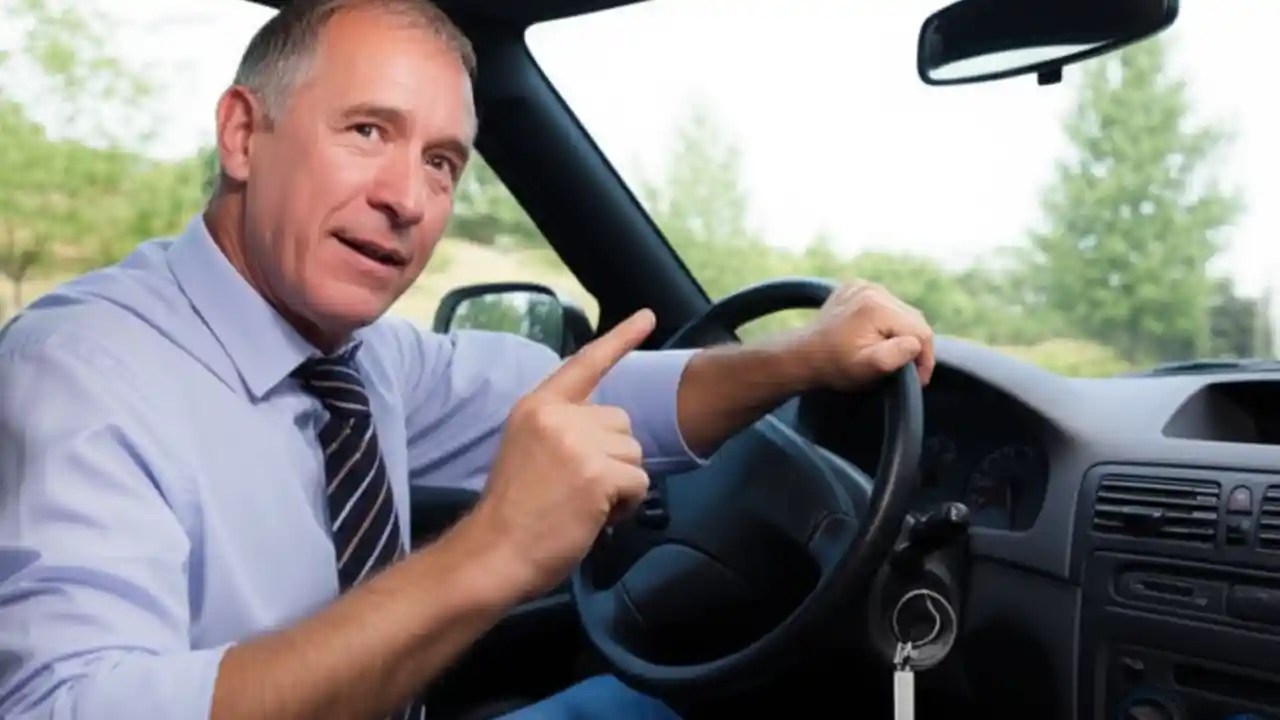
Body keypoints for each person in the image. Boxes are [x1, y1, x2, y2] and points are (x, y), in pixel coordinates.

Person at [0, 0, 935, 718]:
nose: (408, 199)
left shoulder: (363, 359)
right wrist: (495, 552)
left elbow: (599, 398)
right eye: (368, 131)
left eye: (441, 162)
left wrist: (802, 357)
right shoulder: (82, 373)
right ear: (244, 135)